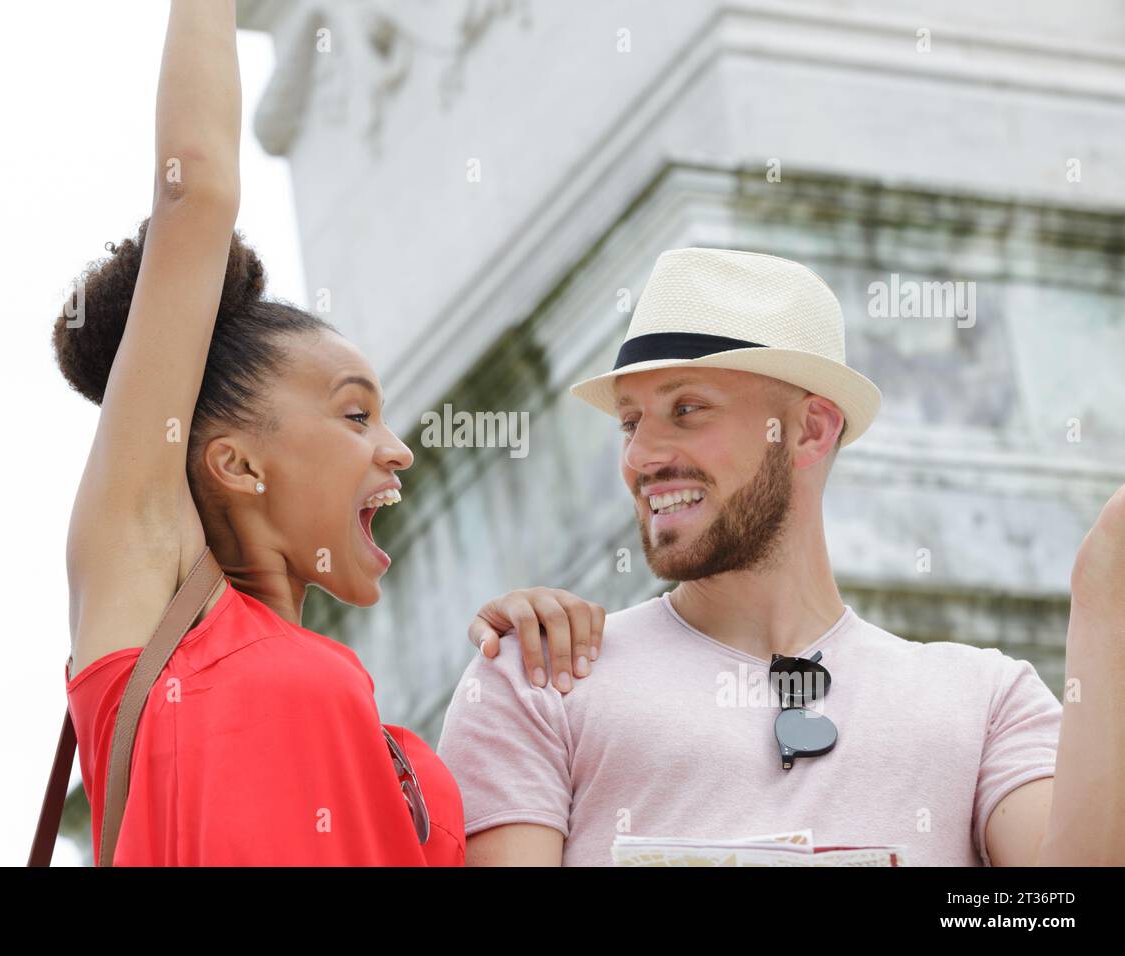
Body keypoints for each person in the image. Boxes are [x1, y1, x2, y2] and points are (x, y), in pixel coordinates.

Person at [54, 0, 604, 866]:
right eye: (355, 415)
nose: (396, 448)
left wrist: (544, 679)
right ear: (236, 463)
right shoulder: (153, 599)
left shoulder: (419, 774)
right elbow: (195, 192)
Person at [438, 246, 1125, 866]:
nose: (641, 457)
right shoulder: (539, 681)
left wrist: (1104, 608)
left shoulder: (986, 700)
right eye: (630, 421)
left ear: (809, 430)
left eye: (687, 409)